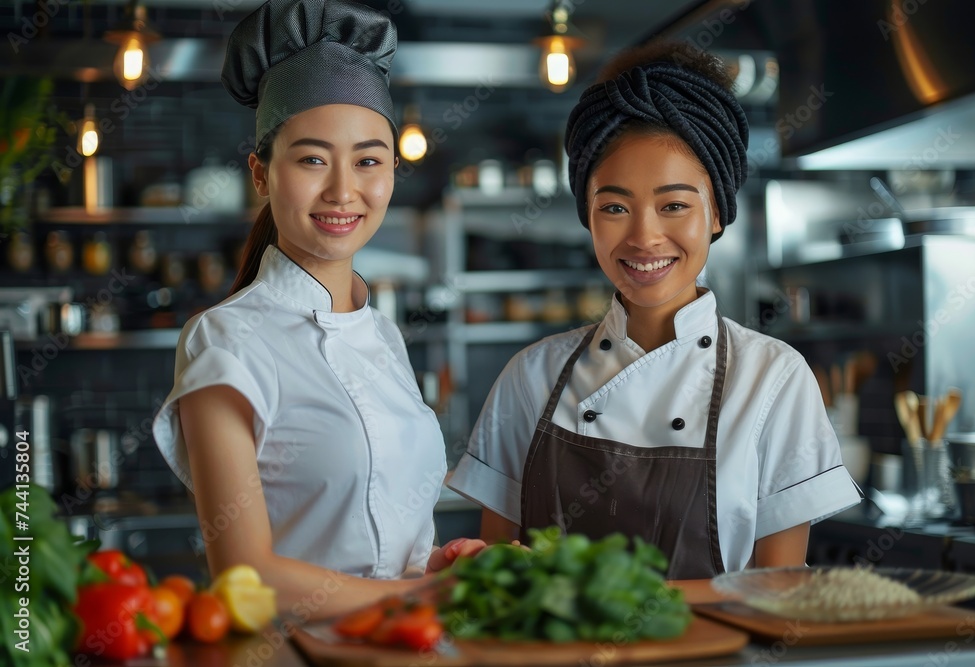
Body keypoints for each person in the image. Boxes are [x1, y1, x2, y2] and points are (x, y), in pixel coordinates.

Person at [447, 42, 862, 578]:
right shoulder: (530, 378)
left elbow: (778, 596)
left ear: (716, 213)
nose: (644, 237)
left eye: (674, 206)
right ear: (588, 218)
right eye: (615, 207)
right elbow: (496, 583)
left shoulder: (774, 378)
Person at [153, 0, 482, 617]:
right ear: (259, 173)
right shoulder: (224, 340)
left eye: (368, 161)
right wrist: (428, 592)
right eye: (311, 159)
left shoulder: (384, 335)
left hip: (406, 648)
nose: (342, 190)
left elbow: (388, 541)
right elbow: (245, 577)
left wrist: (435, 566)